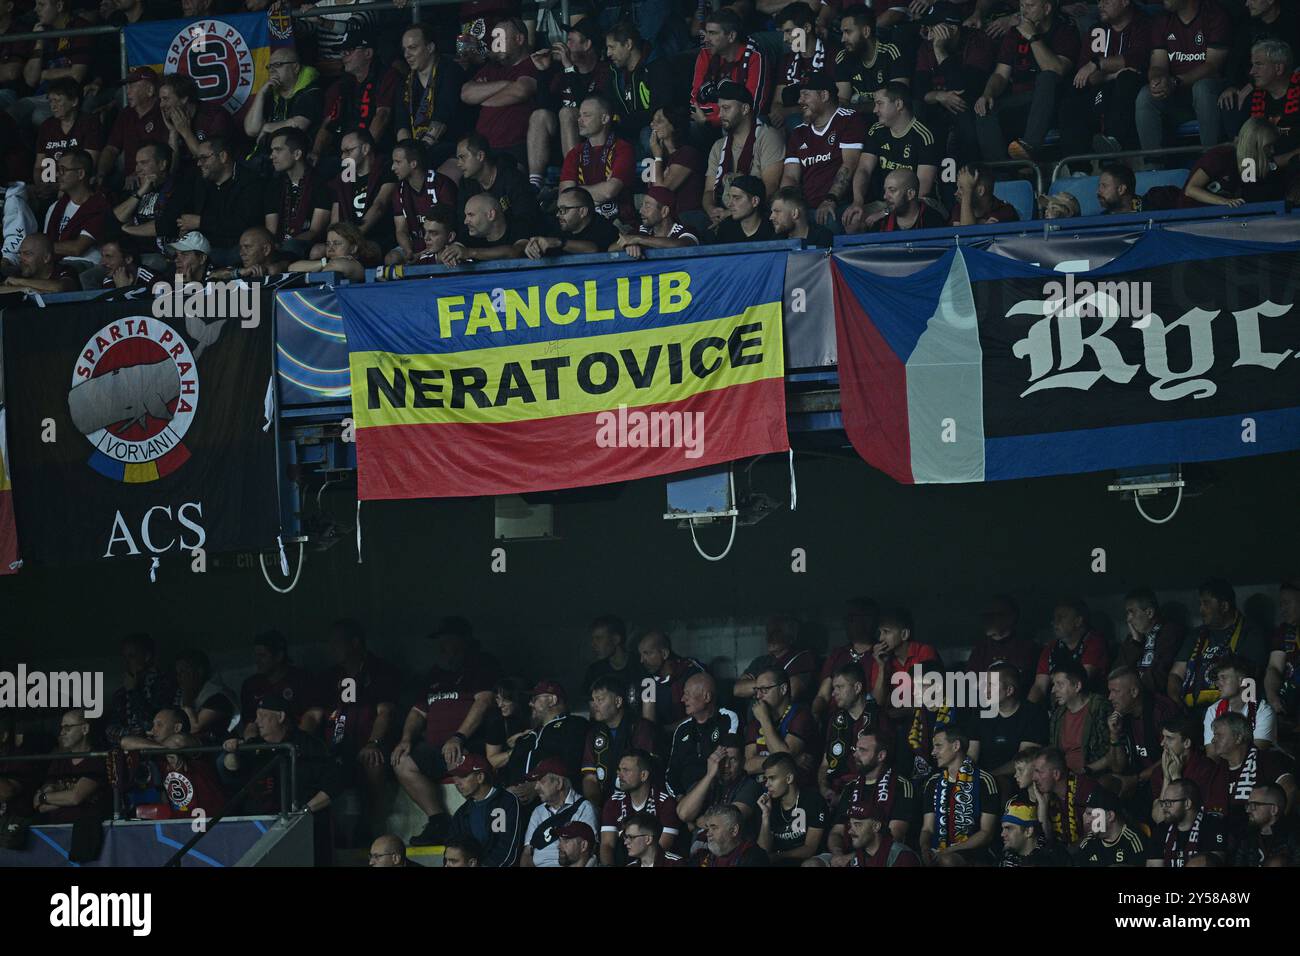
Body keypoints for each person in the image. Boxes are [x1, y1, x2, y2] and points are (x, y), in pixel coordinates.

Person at [392, 622, 497, 845]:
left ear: (462, 643)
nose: (441, 649)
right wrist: (406, 738)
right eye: (440, 645)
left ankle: (474, 826)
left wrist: (459, 736)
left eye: (447, 643)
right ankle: (438, 821)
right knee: (402, 760)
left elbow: (484, 700)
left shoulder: (480, 665)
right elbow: (417, 711)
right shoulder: (434, 674)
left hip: (468, 744)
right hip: (435, 748)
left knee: (463, 763)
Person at [974, 0, 1080, 162]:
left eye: (1030, 6)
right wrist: (987, 94)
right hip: (1023, 101)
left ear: (1047, 8)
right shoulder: (1015, 33)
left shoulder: (1065, 30)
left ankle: (1030, 147)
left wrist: (1033, 37)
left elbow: (1056, 69)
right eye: (1022, 5)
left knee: (1047, 77)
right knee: (985, 109)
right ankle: (1003, 173)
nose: (1024, 11)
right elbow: (1001, 75)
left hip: (1055, 103)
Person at [219, 696, 342, 818]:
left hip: (303, 827)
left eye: (263, 716)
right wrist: (232, 751)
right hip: (260, 824)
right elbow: (232, 770)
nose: (257, 721)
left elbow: (333, 784)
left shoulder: (309, 745)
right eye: (257, 716)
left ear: (281, 717)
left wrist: (303, 813)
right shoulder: (254, 745)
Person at [1055, 0, 1150, 159]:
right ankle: (1078, 171)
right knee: (1069, 105)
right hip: (1101, 93)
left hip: (1132, 94)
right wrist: (1113, 73)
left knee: (1127, 79)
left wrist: (1098, 64)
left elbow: (1139, 60)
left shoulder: (1144, 25)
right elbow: (1085, 77)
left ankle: (1115, 140)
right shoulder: (1097, 31)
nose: (1100, 5)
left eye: (1106, 1)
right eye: (1098, 1)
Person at [1136, 0, 1231, 153]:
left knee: (1202, 88)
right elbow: (1158, 65)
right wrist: (1157, 80)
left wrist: (1176, 81)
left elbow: (1212, 66)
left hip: (1211, 93)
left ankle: (1211, 159)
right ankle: (1153, 168)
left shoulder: (1214, 14)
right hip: (1176, 94)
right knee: (1146, 95)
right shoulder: (1162, 19)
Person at [847, 84, 941, 230]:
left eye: (880, 104)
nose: (874, 110)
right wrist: (858, 202)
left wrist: (885, 213)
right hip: (887, 200)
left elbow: (922, 189)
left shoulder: (923, 135)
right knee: (853, 220)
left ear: (898, 104)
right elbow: (864, 169)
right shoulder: (876, 130)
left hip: (918, 201)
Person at [781, 74, 865, 233]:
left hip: (838, 204)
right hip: (805, 209)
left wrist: (830, 199)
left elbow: (849, 164)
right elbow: (790, 176)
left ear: (824, 95)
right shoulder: (799, 132)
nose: (800, 101)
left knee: (829, 220)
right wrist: (785, 206)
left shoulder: (848, 120)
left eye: (805, 95)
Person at [1171, 578, 1271, 709]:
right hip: (1189, 713)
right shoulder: (1195, 634)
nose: (1201, 609)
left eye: (1206, 603)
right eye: (1200, 604)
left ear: (1224, 606)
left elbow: (1249, 679)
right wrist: (1176, 702)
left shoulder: (1250, 633)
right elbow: (1176, 674)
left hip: (1227, 713)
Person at [702, 80, 785, 232]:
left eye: (726, 108)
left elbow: (770, 188)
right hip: (723, 215)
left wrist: (731, 213)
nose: (720, 115)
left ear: (745, 108)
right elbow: (708, 191)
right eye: (719, 109)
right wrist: (712, 211)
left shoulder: (768, 137)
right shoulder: (718, 146)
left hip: (756, 217)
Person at [175, 136, 266, 266]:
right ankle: (180, 286)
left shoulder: (250, 181)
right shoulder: (201, 181)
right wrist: (185, 229)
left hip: (237, 248)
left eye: (204, 158)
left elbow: (245, 224)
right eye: (197, 159)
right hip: (206, 246)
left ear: (223, 156)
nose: (199, 163)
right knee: (179, 260)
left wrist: (201, 222)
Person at [460, 17, 540, 162]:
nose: (495, 44)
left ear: (519, 39)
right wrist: (507, 84)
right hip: (480, 148)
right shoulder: (492, 67)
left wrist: (483, 96)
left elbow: (521, 91)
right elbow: (466, 94)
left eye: (500, 38)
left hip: (512, 148)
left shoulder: (533, 63)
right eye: (494, 38)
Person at [317, 31, 400, 164]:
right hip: (345, 152)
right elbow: (329, 122)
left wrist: (363, 152)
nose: (344, 56)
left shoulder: (387, 76)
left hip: (376, 152)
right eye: (342, 52)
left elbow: (382, 116)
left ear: (368, 53)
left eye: (349, 50)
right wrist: (316, 153)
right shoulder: (341, 84)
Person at [581, 674, 660, 805]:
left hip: (638, 803)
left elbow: (645, 774)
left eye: (600, 700)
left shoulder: (641, 728)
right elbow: (589, 778)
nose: (594, 705)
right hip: (605, 805)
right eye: (593, 700)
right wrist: (595, 804)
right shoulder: (594, 733)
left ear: (618, 701)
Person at [393, 24, 467, 164]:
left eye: (413, 48)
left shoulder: (450, 71)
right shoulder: (405, 81)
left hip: (451, 146)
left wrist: (419, 151)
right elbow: (401, 122)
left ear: (430, 48)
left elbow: (443, 115)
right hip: (417, 149)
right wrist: (405, 152)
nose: (406, 55)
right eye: (404, 49)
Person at [1209, 711, 1297, 827]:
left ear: (1238, 738)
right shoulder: (1216, 770)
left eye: (1218, 735)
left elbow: (1289, 788)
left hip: (1258, 837)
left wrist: (1274, 829)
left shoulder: (1265, 759)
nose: (1213, 740)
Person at [557, 94, 636, 223]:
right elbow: (564, 198)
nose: (579, 120)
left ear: (604, 118)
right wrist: (601, 188)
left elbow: (609, 192)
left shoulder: (623, 148)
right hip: (584, 225)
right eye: (579, 116)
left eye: (586, 115)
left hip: (619, 224)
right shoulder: (574, 153)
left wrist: (577, 189)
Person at [320, 128, 397, 260]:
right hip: (347, 238)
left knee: (360, 253)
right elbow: (335, 218)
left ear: (365, 149)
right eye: (342, 152)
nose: (343, 157)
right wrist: (334, 242)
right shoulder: (344, 177)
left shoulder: (386, 168)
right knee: (316, 251)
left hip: (378, 237)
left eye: (348, 151)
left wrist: (353, 238)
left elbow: (380, 205)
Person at [1105, 666, 1181, 797]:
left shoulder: (1162, 710)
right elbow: (1117, 768)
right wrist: (1114, 735)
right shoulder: (1120, 716)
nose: (1110, 697)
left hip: (1167, 782)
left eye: (1115, 691)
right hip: (1138, 783)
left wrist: (1137, 779)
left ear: (1134, 691)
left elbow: (1173, 755)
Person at [244, 45, 324, 169]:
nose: (272, 70)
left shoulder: (311, 92)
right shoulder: (271, 92)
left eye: (278, 64)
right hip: (264, 158)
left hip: (293, 160)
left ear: (295, 67)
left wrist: (267, 127)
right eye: (270, 66)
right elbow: (251, 130)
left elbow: (298, 125)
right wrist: (261, 94)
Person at [969, 663, 1048, 787]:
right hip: (981, 779)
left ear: (1009, 690)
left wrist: (989, 778)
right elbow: (972, 755)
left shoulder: (1033, 714)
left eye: (992, 685)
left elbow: (1024, 760)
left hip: (1016, 780)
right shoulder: (980, 713)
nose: (985, 690)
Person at [689, 9, 771, 128]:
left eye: (712, 33)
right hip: (711, 120)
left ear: (731, 36)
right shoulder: (705, 54)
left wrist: (710, 119)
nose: (706, 39)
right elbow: (694, 100)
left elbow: (752, 106)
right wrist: (722, 112)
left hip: (742, 123)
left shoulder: (754, 57)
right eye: (706, 33)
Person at [599, 750, 682, 865]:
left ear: (643, 775)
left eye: (626, 771)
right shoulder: (613, 802)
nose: (619, 775)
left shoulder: (665, 803)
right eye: (619, 770)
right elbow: (606, 845)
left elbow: (661, 848)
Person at [665, 673, 742, 798]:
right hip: (686, 799)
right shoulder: (682, 730)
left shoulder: (728, 718)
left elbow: (731, 763)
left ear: (707, 697)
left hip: (718, 794)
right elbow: (672, 774)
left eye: (687, 694)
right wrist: (679, 797)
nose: (683, 699)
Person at [1181, 116, 1284, 207]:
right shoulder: (1221, 156)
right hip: (1191, 213)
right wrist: (1224, 201)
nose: (1272, 151)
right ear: (1254, 144)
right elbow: (1191, 189)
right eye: (1268, 146)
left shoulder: (1253, 166)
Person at [818, 663, 888, 798]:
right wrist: (824, 788)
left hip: (867, 792)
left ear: (857, 687)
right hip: (835, 788)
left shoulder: (879, 718)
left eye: (840, 687)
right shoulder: (835, 719)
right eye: (833, 688)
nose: (833, 693)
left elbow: (884, 765)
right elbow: (824, 765)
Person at [387, 139, 460, 265]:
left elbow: (448, 229)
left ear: (413, 163)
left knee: (445, 256)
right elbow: (401, 230)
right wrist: (409, 251)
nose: (392, 167)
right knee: (391, 259)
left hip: (442, 244)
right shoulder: (399, 190)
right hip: (415, 246)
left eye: (398, 162)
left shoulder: (442, 184)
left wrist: (422, 254)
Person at [444, 754, 523, 867]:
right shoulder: (462, 812)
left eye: (463, 776)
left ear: (480, 777)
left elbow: (507, 850)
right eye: (455, 777)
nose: (457, 782)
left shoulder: (506, 802)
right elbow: (450, 850)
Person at [238, 630, 320, 739]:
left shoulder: (301, 679)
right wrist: (252, 745)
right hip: (263, 748)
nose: (257, 661)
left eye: (262, 655)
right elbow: (250, 722)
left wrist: (299, 743)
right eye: (256, 655)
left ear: (279, 656)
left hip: (296, 745)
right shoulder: (251, 685)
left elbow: (313, 715)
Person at [265, 128, 332, 259]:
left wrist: (287, 245)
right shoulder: (273, 186)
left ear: (297, 154)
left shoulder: (320, 182)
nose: (271, 155)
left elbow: (315, 231)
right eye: (272, 150)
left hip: (308, 245)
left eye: (278, 150)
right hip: (279, 245)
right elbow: (270, 232)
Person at [673, 734, 764, 831]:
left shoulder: (750, 786)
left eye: (733, 760)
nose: (726, 765)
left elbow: (729, 821)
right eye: (722, 759)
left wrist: (697, 820)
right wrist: (709, 775)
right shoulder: (705, 783)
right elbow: (684, 814)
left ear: (742, 762)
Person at [742, 666, 819, 780]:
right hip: (762, 786)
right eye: (757, 690)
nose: (758, 696)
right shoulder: (757, 718)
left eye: (764, 690)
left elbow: (785, 756)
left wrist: (764, 719)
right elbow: (749, 766)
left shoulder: (801, 715)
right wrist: (791, 761)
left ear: (783, 689)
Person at [32, 78, 102, 202]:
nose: (53, 106)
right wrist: (41, 186)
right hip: (48, 188)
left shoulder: (89, 123)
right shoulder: (47, 126)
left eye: (58, 101)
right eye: (51, 101)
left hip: (75, 188)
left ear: (74, 101)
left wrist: (60, 187)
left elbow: (89, 164)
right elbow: (39, 166)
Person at [520, 758, 599, 867]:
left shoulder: (584, 809)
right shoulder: (538, 812)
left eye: (542, 781)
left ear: (559, 783)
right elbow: (527, 853)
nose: (536, 787)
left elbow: (586, 854)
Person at [1029, 598, 1108, 704]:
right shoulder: (1051, 647)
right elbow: (1039, 686)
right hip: (1058, 708)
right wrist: (1027, 711)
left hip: (1087, 706)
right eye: (1055, 618)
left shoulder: (1094, 642)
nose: (1054, 622)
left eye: (1061, 617)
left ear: (1078, 621)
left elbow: (1079, 681)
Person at [34, 710, 106, 824]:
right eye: (61, 728)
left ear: (85, 729)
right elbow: (40, 806)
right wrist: (65, 799)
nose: (62, 733)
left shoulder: (97, 759)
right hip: (55, 831)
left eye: (67, 727)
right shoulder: (60, 761)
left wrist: (44, 797)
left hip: (85, 830)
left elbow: (75, 797)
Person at [98, 67, 166, 189]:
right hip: (129, 182)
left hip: (157, 181)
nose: (128, 92)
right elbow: (111, 149)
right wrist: (101, 173)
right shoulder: (126, 114)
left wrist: (138, 174)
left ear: (150, 90)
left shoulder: (162, 111)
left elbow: (164, 155)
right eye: (127, 87)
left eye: (133, 86)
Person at [757, 752, 828, 864]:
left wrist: (779, 856)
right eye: (766, 779)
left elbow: (810, 848)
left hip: (808, 860)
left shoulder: (813, 800)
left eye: (772, 778)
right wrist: (765, 816)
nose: (767, 784)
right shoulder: (769, 804)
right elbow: (763, 852)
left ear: (789, 778)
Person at [43, 148, 111, 263]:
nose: (58, 175)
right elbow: (46, 240)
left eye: (63, 170)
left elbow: (77, 248)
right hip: (56, 263)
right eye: (58, 170)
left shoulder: (100, 206)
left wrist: (40, 248)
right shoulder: (55, 207)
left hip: (84, 264)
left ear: (80, 174)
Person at [834, 5, 909, 109]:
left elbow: (897, 103)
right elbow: (841, 103)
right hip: (855, 121)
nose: (843, 39)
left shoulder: (891, 53)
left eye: (848, 32)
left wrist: (855, 105)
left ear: (866, 31)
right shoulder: (844, 57)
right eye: (842, 33)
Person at [158, 73, 237, 169]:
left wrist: (185, 132)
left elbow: (211, 162)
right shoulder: (168, 121)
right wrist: (173, 133)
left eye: (166, 99)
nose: (161, 105)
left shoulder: (215, 116)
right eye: (160, 100)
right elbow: (169, 171)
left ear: (184, 98)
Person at [734, 614, 818, 703]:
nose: (770, 637)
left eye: (777, 633)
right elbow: (738, 689)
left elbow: (790, 692)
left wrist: (754, 685)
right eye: (768, 632)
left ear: (791, 637)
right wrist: (770, 687)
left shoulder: (802, 660)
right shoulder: (760, 661)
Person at [1114, 588, 1184, 695]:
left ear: (1149, 613)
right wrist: (1136, 642)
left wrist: (1132, 690)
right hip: (1130, 696)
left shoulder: (1169, 632)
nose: (1128, 619)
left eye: (1132, 612)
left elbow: (1159, 676)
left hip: (1155, 699)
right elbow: (1117, 673)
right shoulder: (1133, 637)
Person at [1048, 661, 1111, 774]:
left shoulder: (1099, 708)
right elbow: (1054, 752)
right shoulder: (1058, 715)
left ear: (1077, 686)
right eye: (1054, 684)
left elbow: (1111, 753)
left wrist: (1085, 770)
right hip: (1063, 776)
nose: (1053, 690)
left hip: (1092, 775)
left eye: (1060, 684)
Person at [1147, 778, 1228, 866]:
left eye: (1169, 802)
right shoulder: (1161, 829)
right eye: (1163, 802)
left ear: (1187, 804)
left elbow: (1214, 864)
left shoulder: (1212, 826)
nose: (1164, 807)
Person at [1205, 655, 1276, 748]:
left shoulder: (1262, 710)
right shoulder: (1213, 711)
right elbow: (1212, 756)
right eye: (1218, 679)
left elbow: (1256, 754)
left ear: (1242, 681)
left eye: (1223, 678)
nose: (1218, 684)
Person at [440, 192, 531, 264]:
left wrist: (470, 253)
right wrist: (450, 256)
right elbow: (446, 253)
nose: (465, 221)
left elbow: (516, 252)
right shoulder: (471, 234)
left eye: (471, 215)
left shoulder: (519, 226)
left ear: (491, 215)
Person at [172, 648, 237, 745]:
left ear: (199, 671)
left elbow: (195, 728)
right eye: (178, 673)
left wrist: (187, 703)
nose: (180, 677)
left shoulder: (218, 697)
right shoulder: (180, 695)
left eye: (184, 671)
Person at [613, 188, 699, 258]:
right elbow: (611, 249)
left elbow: (683, 246)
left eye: (647, 206)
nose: (641, 211)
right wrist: (627, 246)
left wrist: (638, 240)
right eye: (642, 205)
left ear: (664, 211)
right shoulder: (641, 231)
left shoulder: (685, 230)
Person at [1230, 782, 1300, 866]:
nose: (1248, 810)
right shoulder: (1246, 837)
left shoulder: (1294, 836)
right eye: (1248, 805)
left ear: (1273, 809)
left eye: (1254, 805)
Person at [1075, 786, 1148, 865]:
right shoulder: (1088, 842)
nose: (1087, 820)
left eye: (1091, 814)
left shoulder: (1132, 841)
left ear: (1110, 816)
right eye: (1086, 814)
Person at [581, 614, 639, 701]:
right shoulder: (594, 671)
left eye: (599, 638)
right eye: (593, 639)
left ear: (616, 639)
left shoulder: (640, 665)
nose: (593, 644)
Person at [1266, 578, 1300, 722]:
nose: (1283, 609)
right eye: (1281, 604)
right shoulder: (1283, 631)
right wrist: (1272, 696)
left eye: (1287, 603)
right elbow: (1274, 667)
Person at [871, 168, 947, 231]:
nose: (885, 196)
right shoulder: (881, 222)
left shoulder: (933, 220)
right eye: (885, 190)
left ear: (910, 194)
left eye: (892, 190)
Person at [287, 221, 368, 281]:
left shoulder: (358, 264)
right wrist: (323, 263)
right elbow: (292, 268)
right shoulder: (328, 262)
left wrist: (316, 267)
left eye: (337, 243)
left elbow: (336, 267)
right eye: (328, 244)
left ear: (353, 248)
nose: (330, 248)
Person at [694, 802, 769, 866]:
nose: (708, 834)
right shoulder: (705, 855)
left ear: (734, 830)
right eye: (708, 828)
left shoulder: (755, 857)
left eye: (714, 828)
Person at [0, 234, 78, 295]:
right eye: (20, 254)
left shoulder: (65, 270)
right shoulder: (20, 271)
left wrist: (20, 282)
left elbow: (60, 288)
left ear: (46, 258)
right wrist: (24, 288)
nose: (21, 259)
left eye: (27, 254)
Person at [208, 227, 289, 282]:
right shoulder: (240, 267)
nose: (241, 253)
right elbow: (213, 275)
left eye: (247, 247)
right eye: (241, 248)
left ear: (266, 249)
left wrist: (281, 266)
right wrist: (241, 272)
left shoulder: (286, 259)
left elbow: (293, 262)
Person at [997, 800, 1064, 866]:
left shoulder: (1053, 859)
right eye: (1003, 829)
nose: (1002, 834)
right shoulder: (1005, 859)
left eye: (1008, 828)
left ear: (1029, 831)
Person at [712, 174, 775, 243]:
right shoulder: (725, 228)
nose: (730, 204)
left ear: (755, 201)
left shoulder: (772, 229)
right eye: (730, 197)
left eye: (737, 198)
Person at [951, 164, 1020, 225]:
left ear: (980, 191)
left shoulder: (1005, 212)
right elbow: (959, 236)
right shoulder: (959, 208)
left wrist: (967, 191)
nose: (956, 193)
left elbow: (966, 235)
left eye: (962, 188)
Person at [769, 186, 835, 246]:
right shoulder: (776, 240)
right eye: (772, 212)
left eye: (777, 211)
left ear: (795, 213)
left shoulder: (823, 237)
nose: (771, 217)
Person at [622, 811, 686, 866]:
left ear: (648, 840)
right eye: (626, 837)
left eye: (631, 837)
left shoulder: (675, 864)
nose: (625, 842)